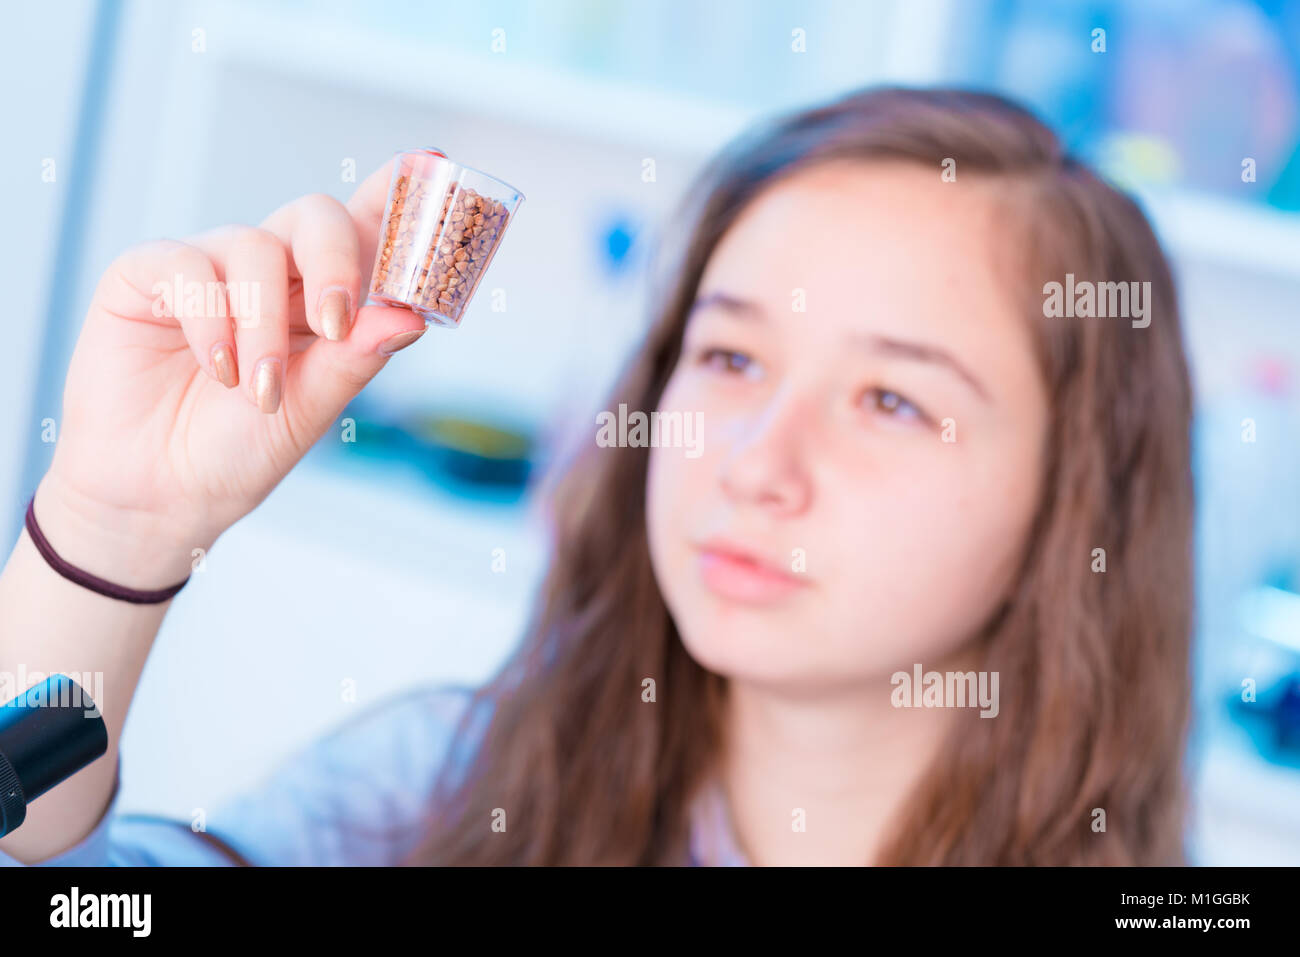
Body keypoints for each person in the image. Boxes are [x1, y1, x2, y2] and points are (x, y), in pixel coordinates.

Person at [0, 86, 1194, 867]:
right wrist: (115, 535)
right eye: (727, 356)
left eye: (892, 399)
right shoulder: (439, 794)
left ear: (1076, 498)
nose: (751, 463)